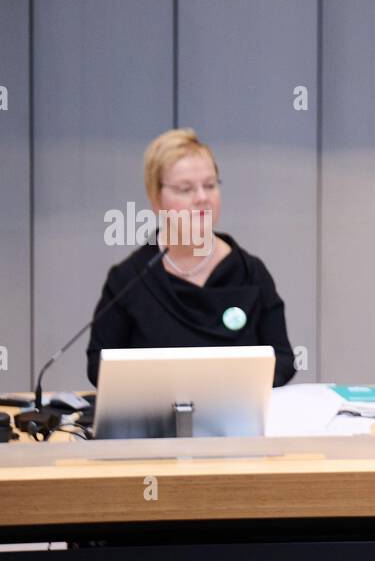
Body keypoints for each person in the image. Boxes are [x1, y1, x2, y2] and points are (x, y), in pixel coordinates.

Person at [86, 128, 296, 387]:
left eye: (210, 185)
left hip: (238, 423)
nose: (202, 198)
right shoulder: (129, 279)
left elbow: (283, 359)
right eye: (185, 189)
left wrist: (236, 388)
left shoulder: (250, 272)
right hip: (157, 425)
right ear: (156, 199)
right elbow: (99, 365)